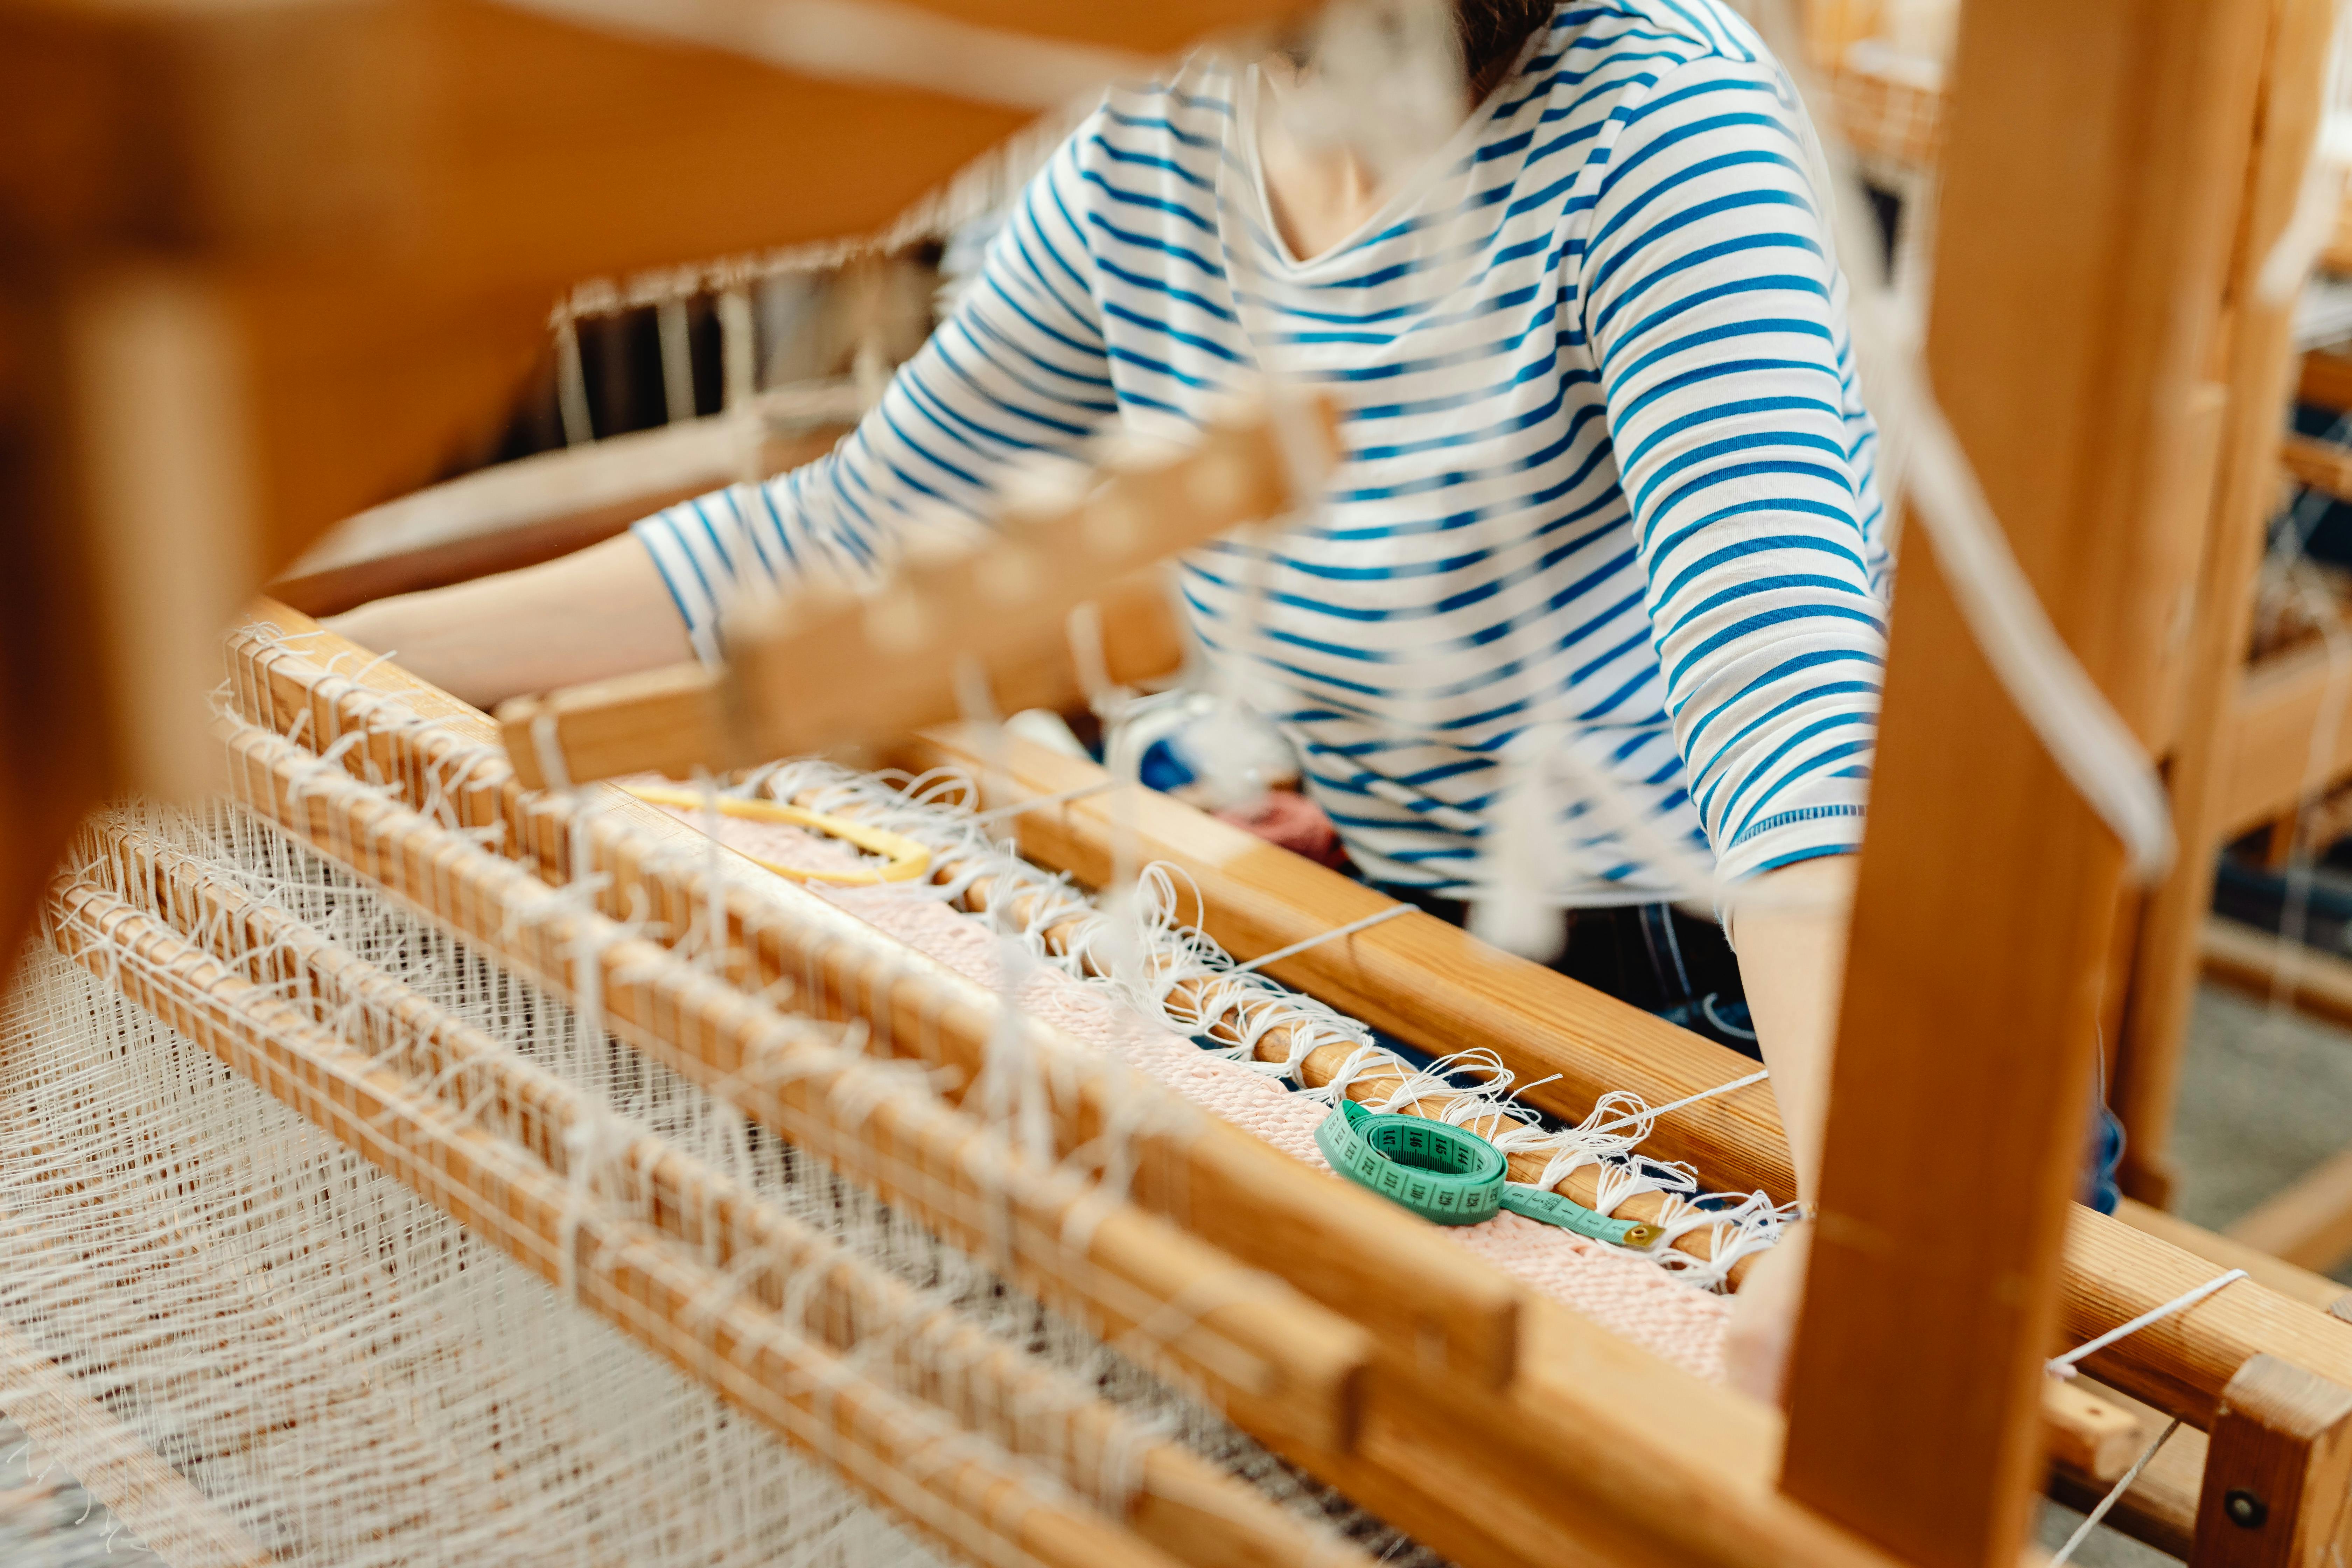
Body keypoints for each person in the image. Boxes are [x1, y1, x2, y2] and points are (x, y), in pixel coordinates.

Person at [333, 0, 1886, 1394]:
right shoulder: (1168, 136)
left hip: (1759, 1033)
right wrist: (336, 655)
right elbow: (837, 533)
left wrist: (1867, 1231)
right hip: (1444, 989)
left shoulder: (1662, 129)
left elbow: (1785, 710)